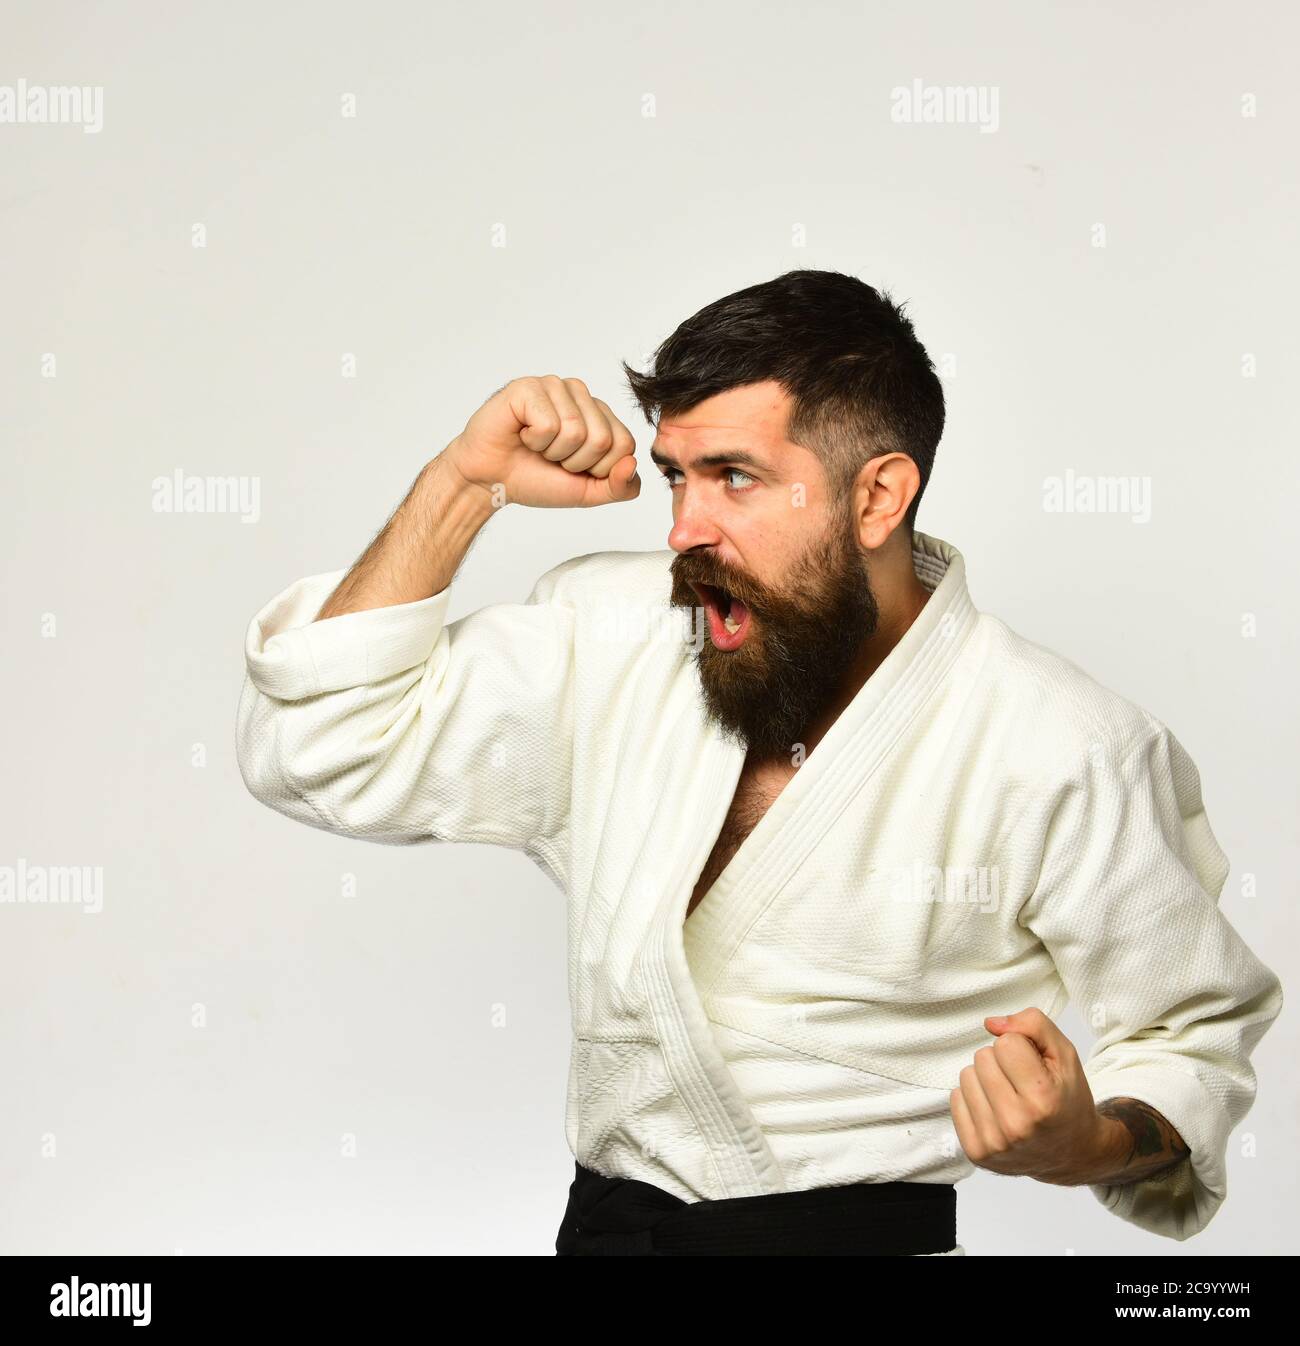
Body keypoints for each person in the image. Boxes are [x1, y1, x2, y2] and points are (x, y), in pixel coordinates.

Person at [235, 269, 1281, 1255]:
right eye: (675, 476)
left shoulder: (1060, 742)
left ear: (877, 497)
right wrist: (463, 483)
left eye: (734, 477)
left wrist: (1084, 1141)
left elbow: (1193, 1029)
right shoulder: (614, 631)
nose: (686, 527)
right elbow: (317, 747)